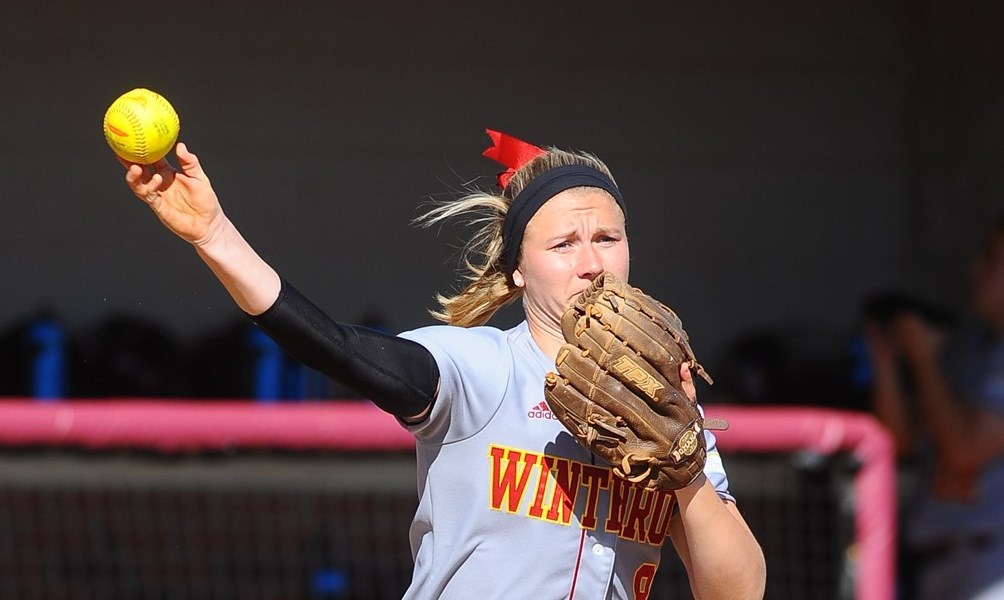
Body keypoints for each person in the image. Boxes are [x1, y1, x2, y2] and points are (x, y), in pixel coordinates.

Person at [116, 128, 766, 599]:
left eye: (607, 238)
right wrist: (215, 235)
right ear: (517, 268)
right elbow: (336, 347)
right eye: (563, 243)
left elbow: (736, 593)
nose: (591, 263)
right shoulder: (476, 369)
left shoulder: (669, 410)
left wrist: (685, 470)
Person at [863, 216, 1004, 600]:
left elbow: (964, 450)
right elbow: (901, 444)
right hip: (940, 562)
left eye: (992, 261)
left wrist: (924, 359)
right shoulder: (969, 349)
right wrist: (888, 359)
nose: (976, 272)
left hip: (992, 561)